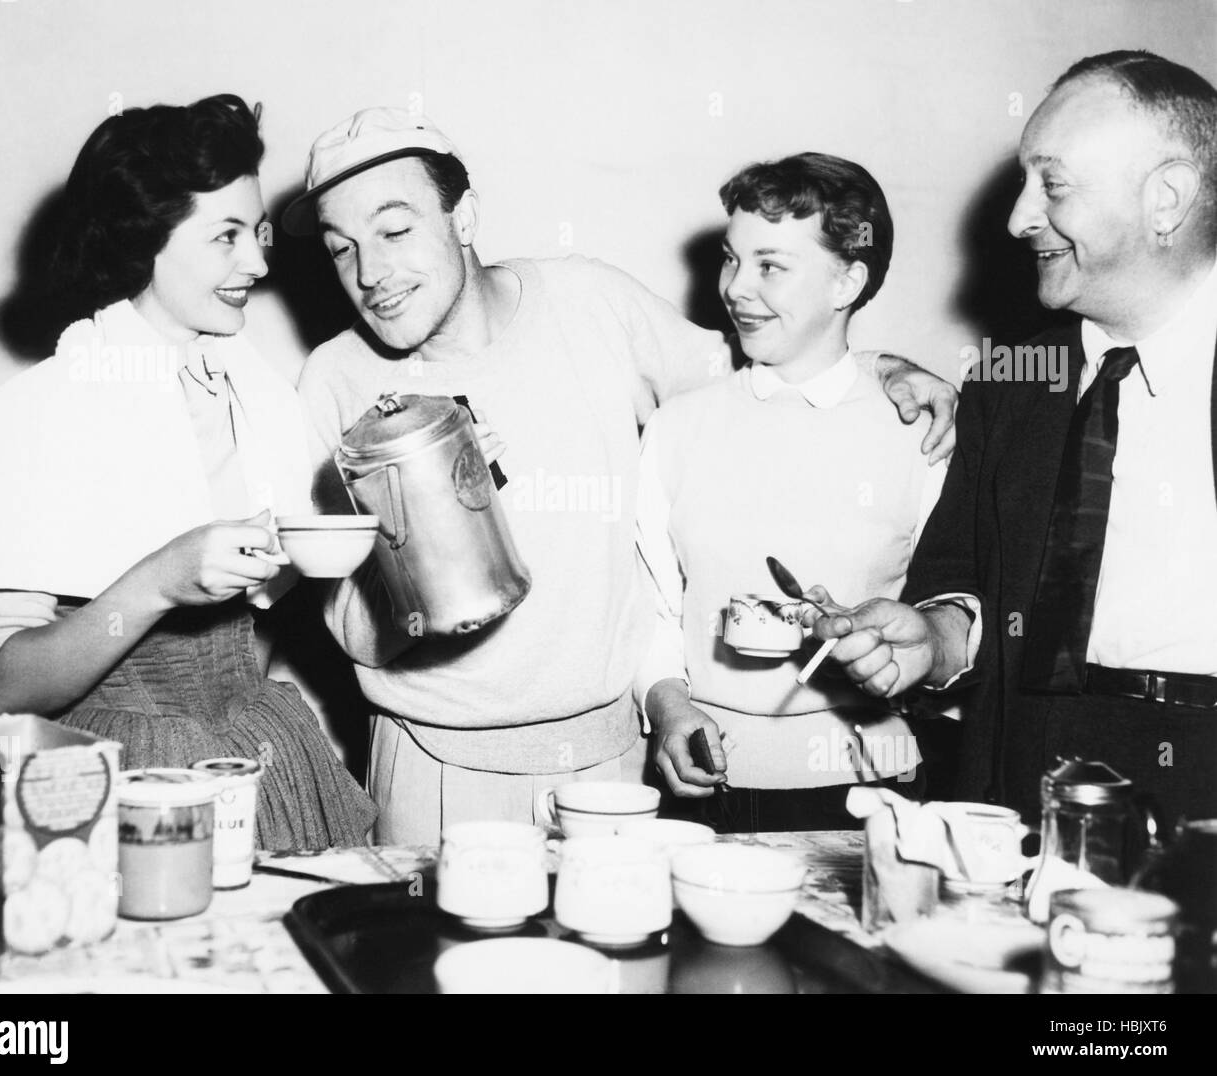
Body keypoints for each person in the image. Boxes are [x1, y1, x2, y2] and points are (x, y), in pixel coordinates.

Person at [283, 107, 958, 845]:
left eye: (393, 230)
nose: (369, 274)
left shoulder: (592, 303)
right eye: (340, 248)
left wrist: (878, 369)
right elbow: (349, 623)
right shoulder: (335, 379)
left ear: (464, 217)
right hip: (433, 764)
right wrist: (429, 537)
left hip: (614, 762)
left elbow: (759, 364)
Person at [0, 95, 376, 851]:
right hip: (108, 782)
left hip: (257, 758)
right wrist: (160, 582)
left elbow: (257, 632)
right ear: (145, 239)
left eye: (255, 233)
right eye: (224, 236)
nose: (258, 263)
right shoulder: (34, 415)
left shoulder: (255, 394)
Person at [813, 51, 1217, 826]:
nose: (1017, 218)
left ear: (1166, 198)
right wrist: (934, 638)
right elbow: (965, 573)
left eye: (1053, 185)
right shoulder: (1011, 379)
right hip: (1027, 773)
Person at [638, 153, 946, 831]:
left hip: (869, 791)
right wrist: (667, 706)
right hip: (706, 781)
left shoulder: (920, 434)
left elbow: (951, 614)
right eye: (730, 258)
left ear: (848, 280)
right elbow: (656, 608)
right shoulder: (676, 427)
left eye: (770, 265)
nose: (736, 288)